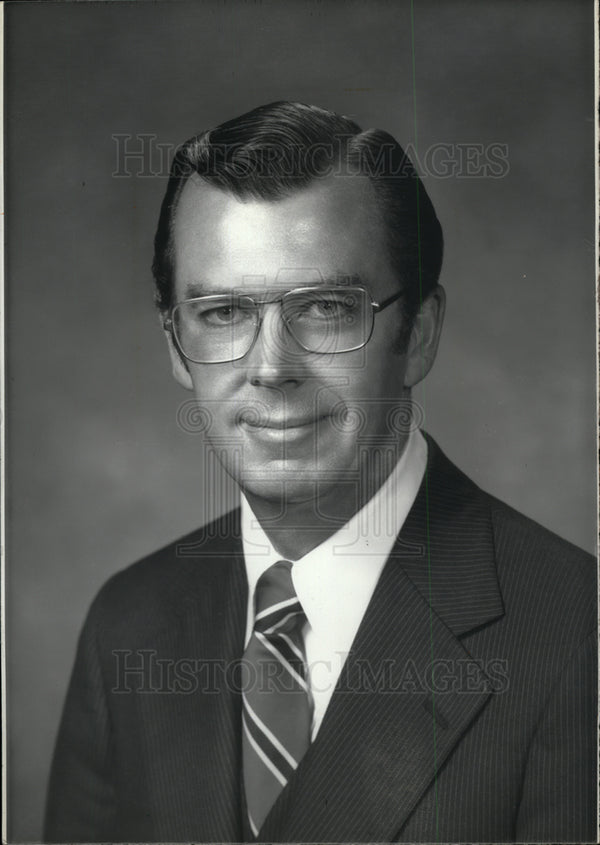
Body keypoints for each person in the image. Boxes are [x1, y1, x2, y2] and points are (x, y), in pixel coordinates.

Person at [44, 101, 597, 843]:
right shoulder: (128, 621)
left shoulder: (576, 637)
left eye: (326, 307)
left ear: (418, 334)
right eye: (223, 312)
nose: (272, 368)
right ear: (176, 345)